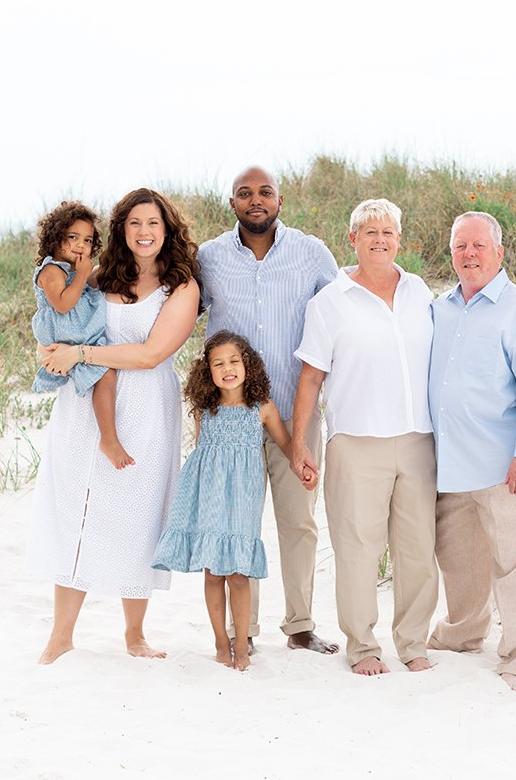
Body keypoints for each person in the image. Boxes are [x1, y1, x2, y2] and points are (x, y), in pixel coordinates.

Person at [28, 187, 201, 664]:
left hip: (146, 408)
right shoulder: (100, 275)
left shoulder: (181, 286)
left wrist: (81, 353)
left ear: (166, 229)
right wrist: (51, 351)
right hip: (86, 402)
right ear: (121, 230)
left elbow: (151, 354)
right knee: (78, 512)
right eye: (134, 223)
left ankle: (135, 634)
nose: (144, 232)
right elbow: (61, 319)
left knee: (136, 515)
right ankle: (61, 636)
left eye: (153, 223)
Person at [197, 166, 341, 655]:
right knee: (238, 524)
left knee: (299, 522)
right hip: (232, 417)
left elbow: (342, 314)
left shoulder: (311, 252)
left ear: (281, 199)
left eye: (264, 192)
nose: (255, 200)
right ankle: (244, 630)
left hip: (297, 413)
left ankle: (300, 625)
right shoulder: (210, 258)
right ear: (232, 202)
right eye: (244, 193)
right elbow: (178, 310)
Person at [290, 199, 437, 676]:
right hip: (356, 442)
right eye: (369, 232)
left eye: (388, 231)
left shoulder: (419, 292)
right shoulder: (329, 302)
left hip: (418, 440)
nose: (379, 239)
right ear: (352, 239)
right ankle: (363, 646)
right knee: (357, 549)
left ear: (400, 239)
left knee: (418, 549)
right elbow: (311, 378)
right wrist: (300, 443)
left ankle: (413, 642)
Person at [428, 211, 516, 692]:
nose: (469, 254)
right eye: (460, 246)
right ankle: (463, 633)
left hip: (506, 463)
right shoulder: (438, 308)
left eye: (479, 245)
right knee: (458, 558)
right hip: (450, 461)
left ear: (499, 253)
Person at [151, 331, 311, 672]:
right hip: (209, 495)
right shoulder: (205, 410)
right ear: (207, 370)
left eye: (234, 361)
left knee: (238, 573)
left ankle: (241, 645)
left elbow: (285, 446)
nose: (227, 369)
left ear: (247, 365)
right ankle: (220, 643)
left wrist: (302, 467)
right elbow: (202, 456)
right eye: (218, 363)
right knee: (213, 573)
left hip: (243, 497)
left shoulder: (262, 408)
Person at [29, 200, 131, 470]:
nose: (80, 245)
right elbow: (63, 304)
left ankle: (106, 436)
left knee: (106, 373)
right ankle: (108, 439)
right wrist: (84, 274)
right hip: (66, 332)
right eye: (72, 237)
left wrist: (88, 274)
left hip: (79, 335)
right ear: (55, 238)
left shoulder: (72, 270)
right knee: (106, 373)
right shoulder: (51, 270)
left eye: (87, 240)